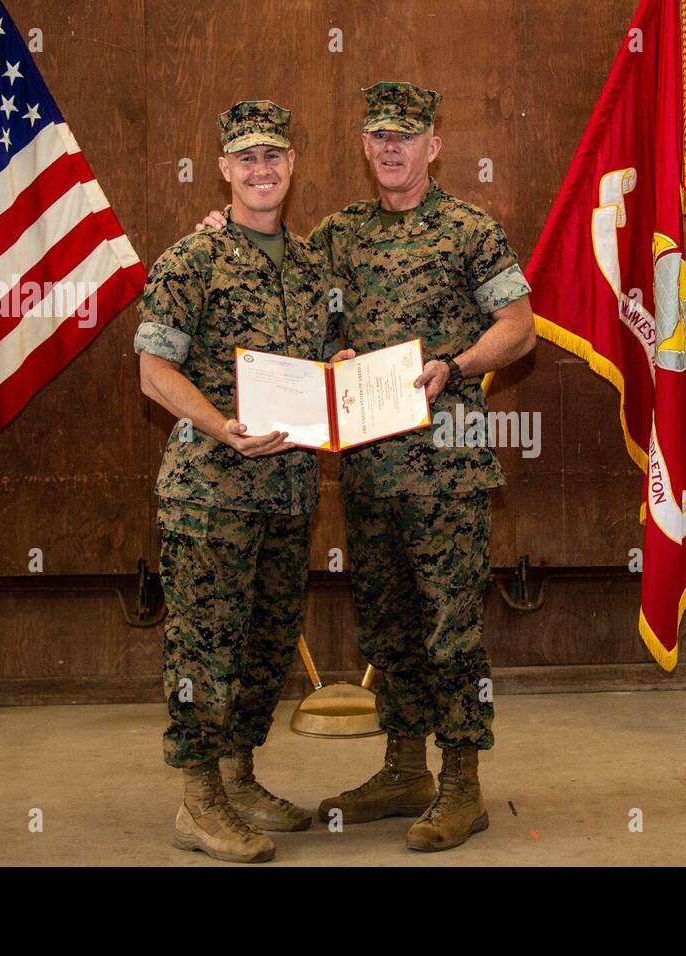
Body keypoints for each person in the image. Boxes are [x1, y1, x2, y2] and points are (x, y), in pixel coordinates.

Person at [205, 81, 535, 851]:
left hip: (446, 473)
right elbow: (273, 268)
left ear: (433, 146)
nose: (391, 148)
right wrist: (218, 227)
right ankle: (403, 768)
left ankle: (461, 785)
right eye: (379, 136)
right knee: (387, 628)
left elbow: (518, 328)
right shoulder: (336, 236)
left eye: (406, 136)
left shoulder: (467, 230)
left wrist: (455, 364)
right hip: (367, 472)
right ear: (364, 147)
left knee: (450, 631)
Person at [134, 100, 336, 863]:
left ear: (291, 165)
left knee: (266, 644)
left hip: (287, 492)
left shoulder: (313, 265)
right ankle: (198, 799)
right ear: (223, 169)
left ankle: (239, 774)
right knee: (203, 648)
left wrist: (340, 378)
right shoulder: (191, 260)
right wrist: (221, 427)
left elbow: (313, 367)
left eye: (274, 156)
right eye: (246, 158)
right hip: (210, 493)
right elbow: (155, 371)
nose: (262, 170)